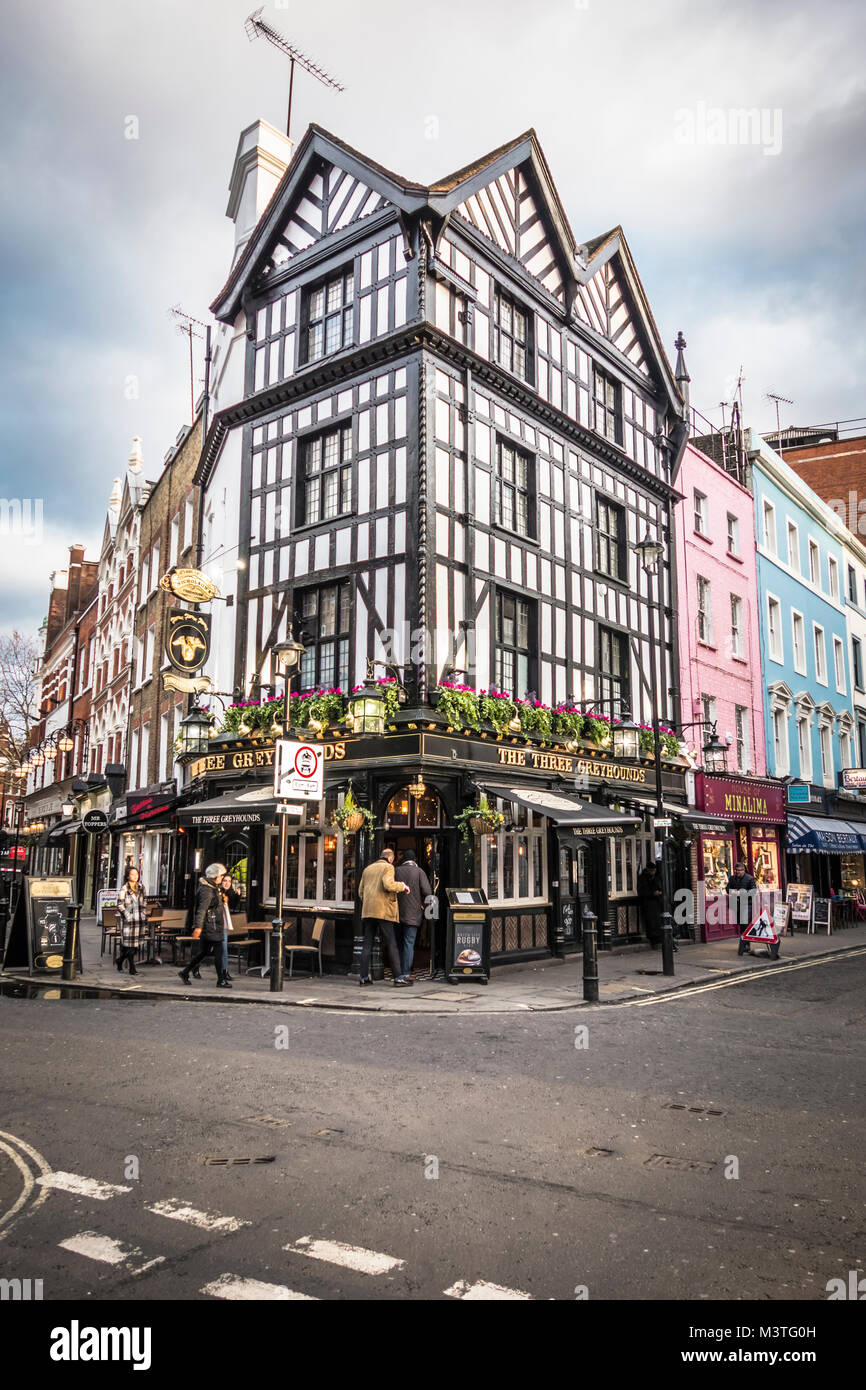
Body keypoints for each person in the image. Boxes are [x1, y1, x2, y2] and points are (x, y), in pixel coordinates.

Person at [357, 847, 412, 987]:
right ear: (391, 858)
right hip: (383, 911)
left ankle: (363, 978)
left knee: (367, 944)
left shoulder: (367, 869)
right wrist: (402, 886)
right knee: (392, 943)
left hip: (368, 911)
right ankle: (398, 978)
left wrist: (369, 903)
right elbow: (388, 885)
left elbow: (360, 891)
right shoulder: (388, 867)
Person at [180, 862, 231, 988]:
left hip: (213, 924)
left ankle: (185, 971)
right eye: (220, 876)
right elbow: (202, 909)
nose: (222, 878)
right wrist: (198, 927)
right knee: (218, 951)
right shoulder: (207, 890)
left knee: (204, 952)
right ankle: (221, 980)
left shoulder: (213, 887)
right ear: (215, 876)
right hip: (211, 926)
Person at [394, 850, 432, 980]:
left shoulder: (396, 871)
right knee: (408, 943)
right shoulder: (420, 872)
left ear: (403, 859)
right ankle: (406, 973)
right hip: (414, 914)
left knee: (398, 943)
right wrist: (424, 907)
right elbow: (427, 891)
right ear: (414, 860)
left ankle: (397, 973)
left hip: (396, 913)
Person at [637, 861, 675, 950]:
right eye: (651, 871)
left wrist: (660, 893)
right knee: (652, 922)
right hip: (649, 903)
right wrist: (652, 893)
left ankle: (659, 939)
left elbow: (661, 887)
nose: (653, 872)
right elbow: (642, 891)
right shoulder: (643, 878)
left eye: (654, 871)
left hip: (658, 903)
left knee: (658, 921)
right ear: (648, 870)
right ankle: (654, 940)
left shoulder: (658, 877)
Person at [116, 867, 147, 976]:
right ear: (128, 876)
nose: (135, 876)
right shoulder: (124, 889)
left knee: (135, 946)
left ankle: (120, 960)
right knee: (130, 947)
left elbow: (144, 902)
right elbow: (119, 905)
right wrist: (128, 916)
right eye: (133, 874)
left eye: (137, 874)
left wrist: (143, 914)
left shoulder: (141, 887)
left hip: (139, 920)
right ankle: (132, 969)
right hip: (128, 922)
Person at [218, 872, 241, 984]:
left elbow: (233, 906)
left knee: (224, 949)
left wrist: (238, 895)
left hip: (224, 925)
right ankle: (194, 967)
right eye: (225, 881)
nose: (227, 883)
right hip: (216, 924)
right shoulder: (216, 892)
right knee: (208, 949)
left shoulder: (230, 892)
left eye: (229, 881)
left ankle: (224, 972)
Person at [726, 861, 758, 930]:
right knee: (740, 922)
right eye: (736, 870)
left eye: (739, 870)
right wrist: (733, 892)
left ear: (743, 870)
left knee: (744, 922)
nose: (737, 872)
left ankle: (745, 939)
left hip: (746, 903)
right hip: (735, 904)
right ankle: (744, 937)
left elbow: (753, 891)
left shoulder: (750, 878)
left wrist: (742, 893)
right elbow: (727, 889)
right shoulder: (732, 878)